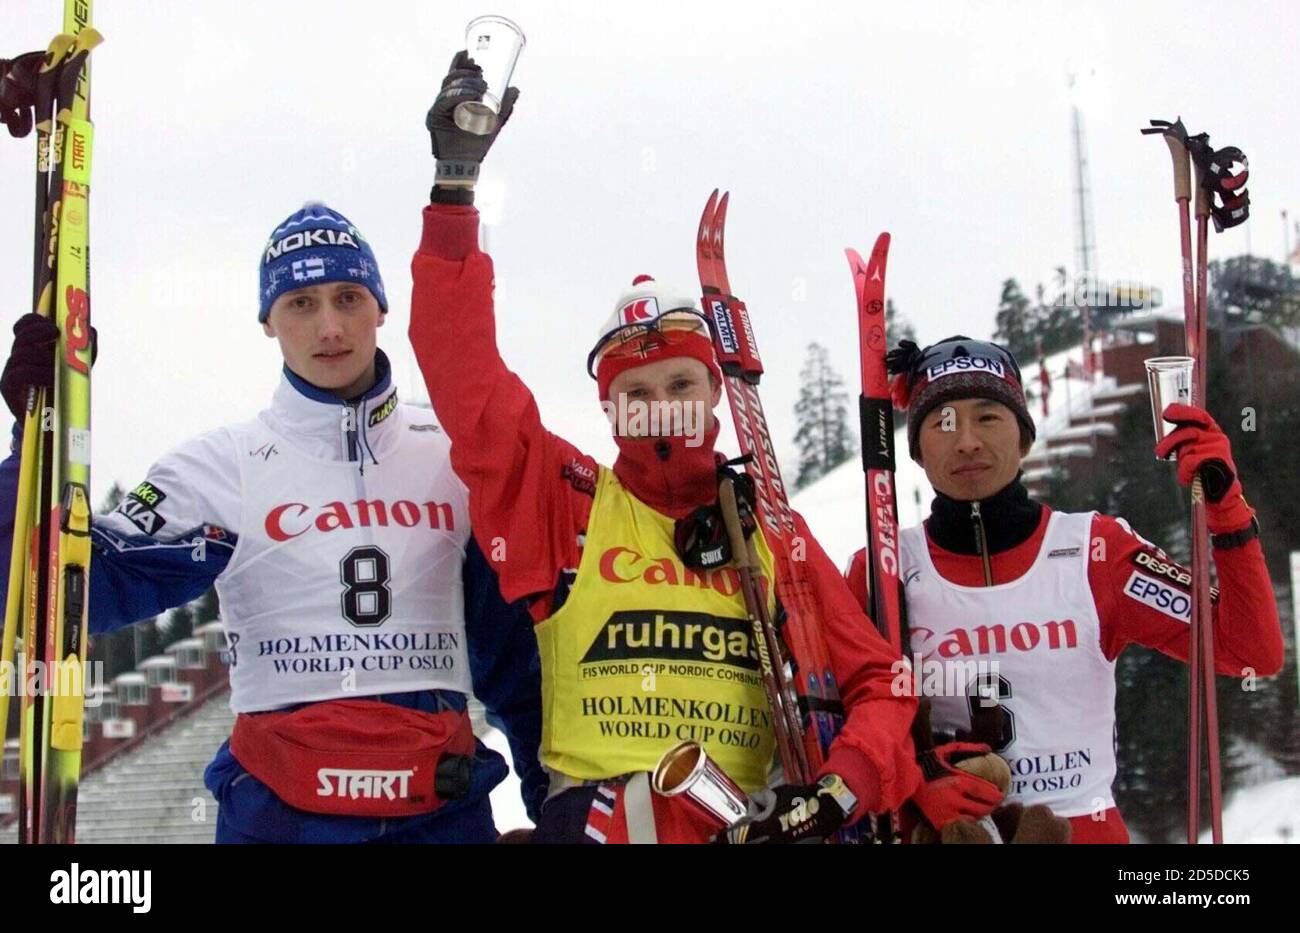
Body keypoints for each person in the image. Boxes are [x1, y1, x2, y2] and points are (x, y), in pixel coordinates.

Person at [403, 53, 1005, 844]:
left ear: (716, 394)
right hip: (594, 817)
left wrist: (836, 791)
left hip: (740, 824)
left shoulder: (772, 534)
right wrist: (454, 188)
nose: (663, 409)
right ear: (609, 406)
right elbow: (465, 374)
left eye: (681, 385)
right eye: (638, 394)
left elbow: (882, 683)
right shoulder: (566, 497)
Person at [0, 202, 545, 843]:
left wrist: (553, 803)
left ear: (382, 308)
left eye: (348, 297)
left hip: (439, 811)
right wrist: (35, 447)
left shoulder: (453, 454)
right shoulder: (222, 465)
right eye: (301, 304)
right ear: (267, 320)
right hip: (278, 818)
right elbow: (65, 591)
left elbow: (516, 663)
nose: (331, 327)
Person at [845, 335, 1284, 843]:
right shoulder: (883, 569)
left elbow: (1250, 651)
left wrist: (1226, 509)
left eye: (988, 417)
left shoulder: (1097, 551)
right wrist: (915, 773)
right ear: (917, 450)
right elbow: (846, 724)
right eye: (943, 422)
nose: (966, 440)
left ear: (1025, 437)